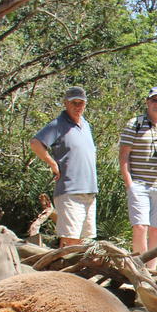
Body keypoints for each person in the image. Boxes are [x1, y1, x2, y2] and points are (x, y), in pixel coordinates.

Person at [119, 87, 157, 269]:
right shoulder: (134, 124)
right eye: (154, 100)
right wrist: (129, 184)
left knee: (156, 230)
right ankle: (139, 269)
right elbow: (123, 155)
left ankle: (151, 271)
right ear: (147, 102)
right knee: (140, 227)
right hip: (139, 184)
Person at [30, 86, 98, 246]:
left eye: (81, 103)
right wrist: (53, 164)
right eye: (73, 103)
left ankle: (77, 271)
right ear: (65, 103)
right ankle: (63, 270)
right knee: (70, 240)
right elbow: (35, 143)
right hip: (70, 191)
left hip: (89, 191)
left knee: (84, 242)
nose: (77, 107)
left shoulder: (86, 125)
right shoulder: (58, 124)